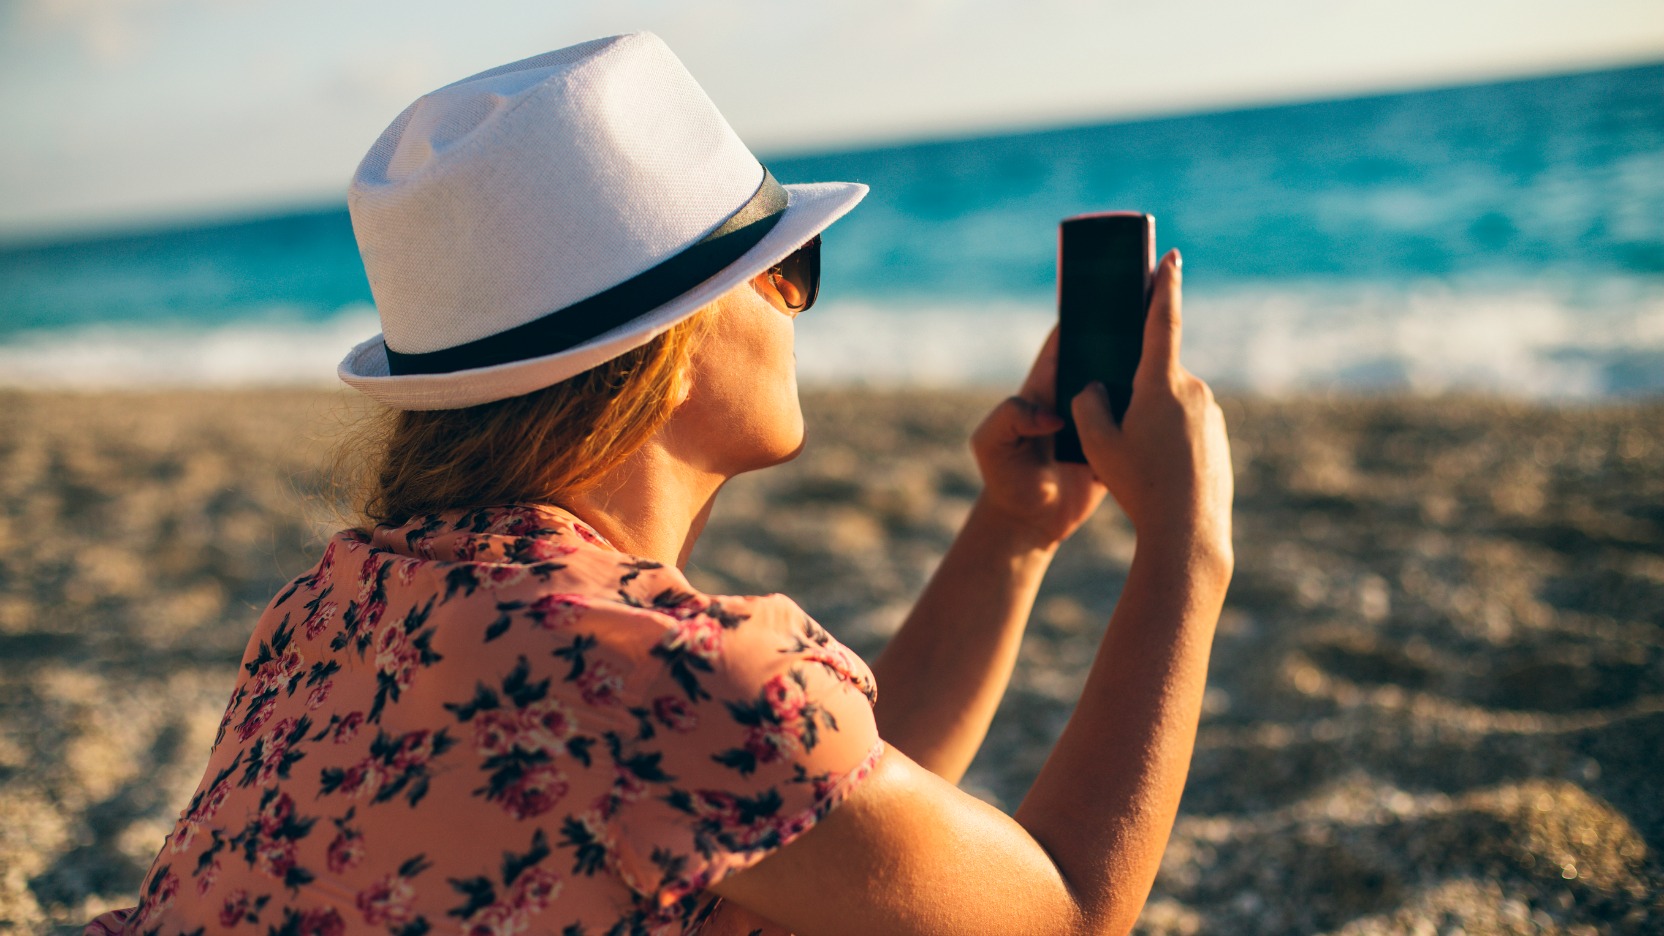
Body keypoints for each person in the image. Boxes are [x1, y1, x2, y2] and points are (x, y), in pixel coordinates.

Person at [86, 32, 1233, 936]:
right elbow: (1066, 912)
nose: (796, 308)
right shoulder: (658, 677)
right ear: (671, 349)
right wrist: (1186, 544)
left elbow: (827, 827)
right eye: (784, 266)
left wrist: (1011, 536)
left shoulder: (337, 606)